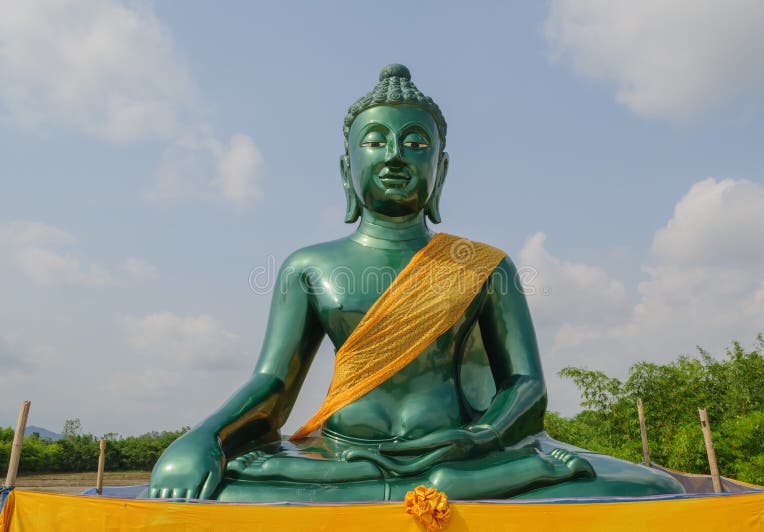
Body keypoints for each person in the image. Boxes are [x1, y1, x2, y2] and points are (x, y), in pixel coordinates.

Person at [148, 64, 683, 502]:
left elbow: (525, 386)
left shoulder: (482, 264)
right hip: (339, 458)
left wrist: (479, 437)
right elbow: (272, 384)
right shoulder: (307, 266)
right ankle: (465, 485)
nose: (396, 155)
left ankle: (470, 478)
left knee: (650, 489)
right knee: (227, 488)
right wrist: (204, 438)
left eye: (415, 142)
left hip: (464, 450)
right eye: (376, 141)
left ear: (441, 171)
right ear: (345, 170)